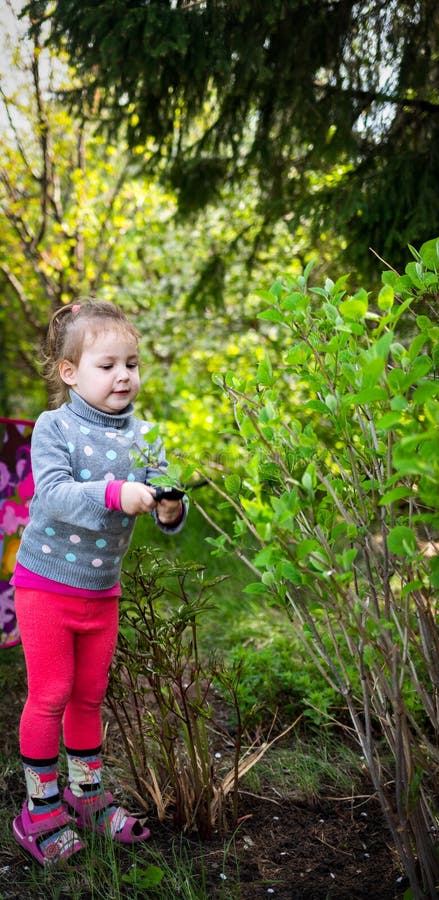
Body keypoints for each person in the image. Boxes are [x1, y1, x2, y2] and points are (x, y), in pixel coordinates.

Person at [11, 300, 187, 865]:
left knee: (88, 696)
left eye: (131, 364)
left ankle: (85, 796)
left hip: (101, 591)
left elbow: (163, 493)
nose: (123, 376)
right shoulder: (55, 427)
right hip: (46, 585)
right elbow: (54, 494)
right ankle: (39, 811)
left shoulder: (146, 435)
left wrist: (168, 508)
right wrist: (116, 493)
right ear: (70, 372)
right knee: (51, 695)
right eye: (107, 365)